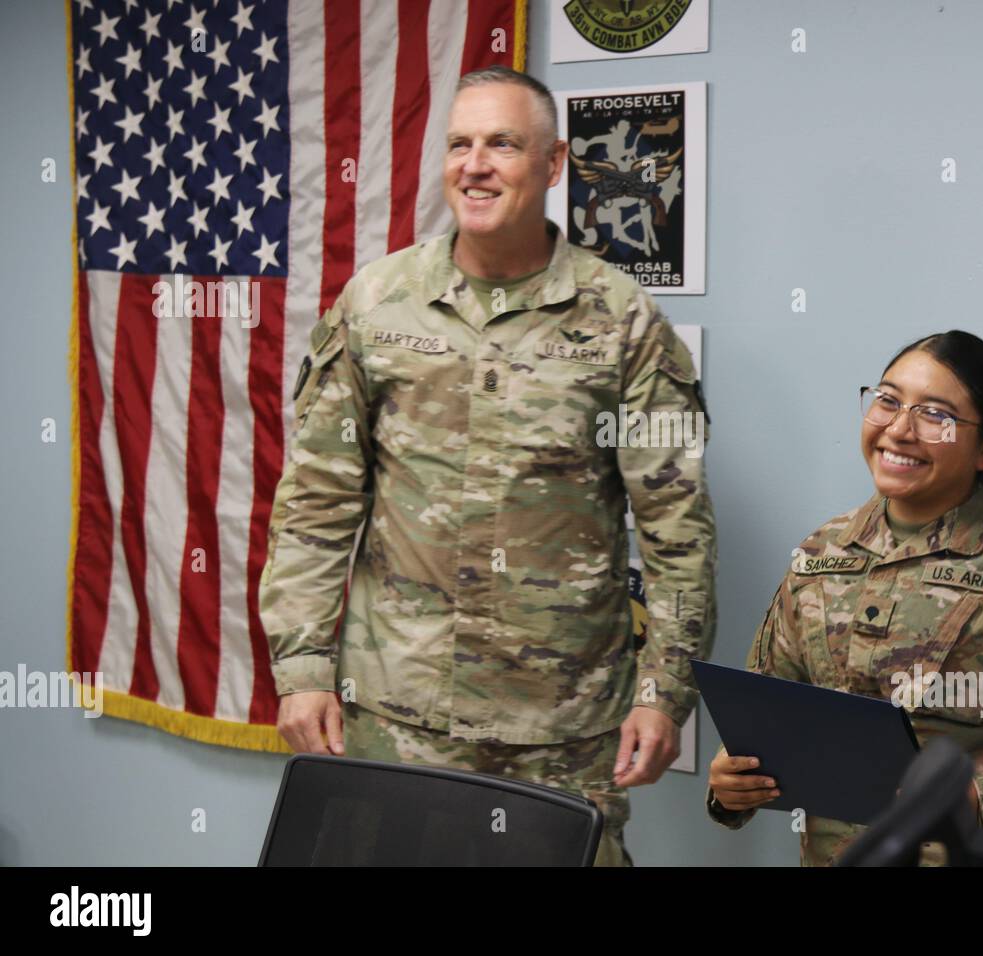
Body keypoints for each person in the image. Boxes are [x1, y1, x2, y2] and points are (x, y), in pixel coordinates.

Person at [259, 66, 716, 867]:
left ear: (554, 163)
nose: (475, 165)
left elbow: (676, 529)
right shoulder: (377, 304)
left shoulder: (623, 320)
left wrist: (663, 690)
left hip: (561, 721)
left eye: (502, 144)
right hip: (395, 708)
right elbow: (315, 503)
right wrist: (301, 667)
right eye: (460, 144)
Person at [706, 330, 983, 866]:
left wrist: (977, 800)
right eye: (887, 400)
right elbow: (767, 708)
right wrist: (731, 782)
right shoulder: (820, 552)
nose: (899, 430)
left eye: (935, 415)